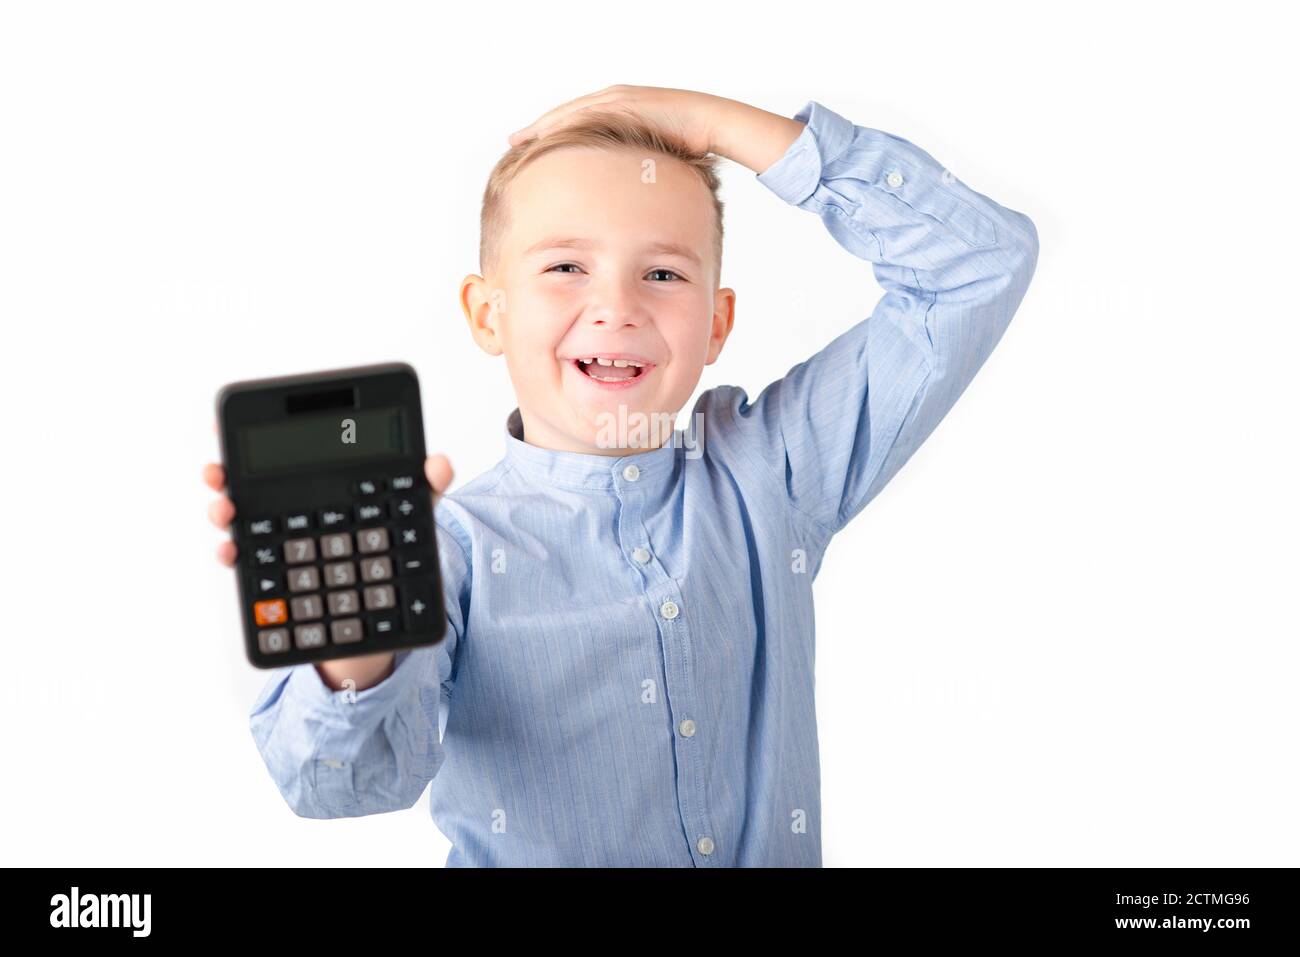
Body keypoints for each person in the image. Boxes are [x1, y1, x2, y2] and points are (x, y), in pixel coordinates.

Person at [204, 85, 1039, 866]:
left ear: (717, 323)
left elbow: (977, 264)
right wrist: (362, 643)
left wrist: (712, 125)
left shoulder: (771, 472)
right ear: (487, 314)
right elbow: (344, 786)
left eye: (664, 273)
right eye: (566, 266)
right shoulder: (448, 552)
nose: (618, 306)